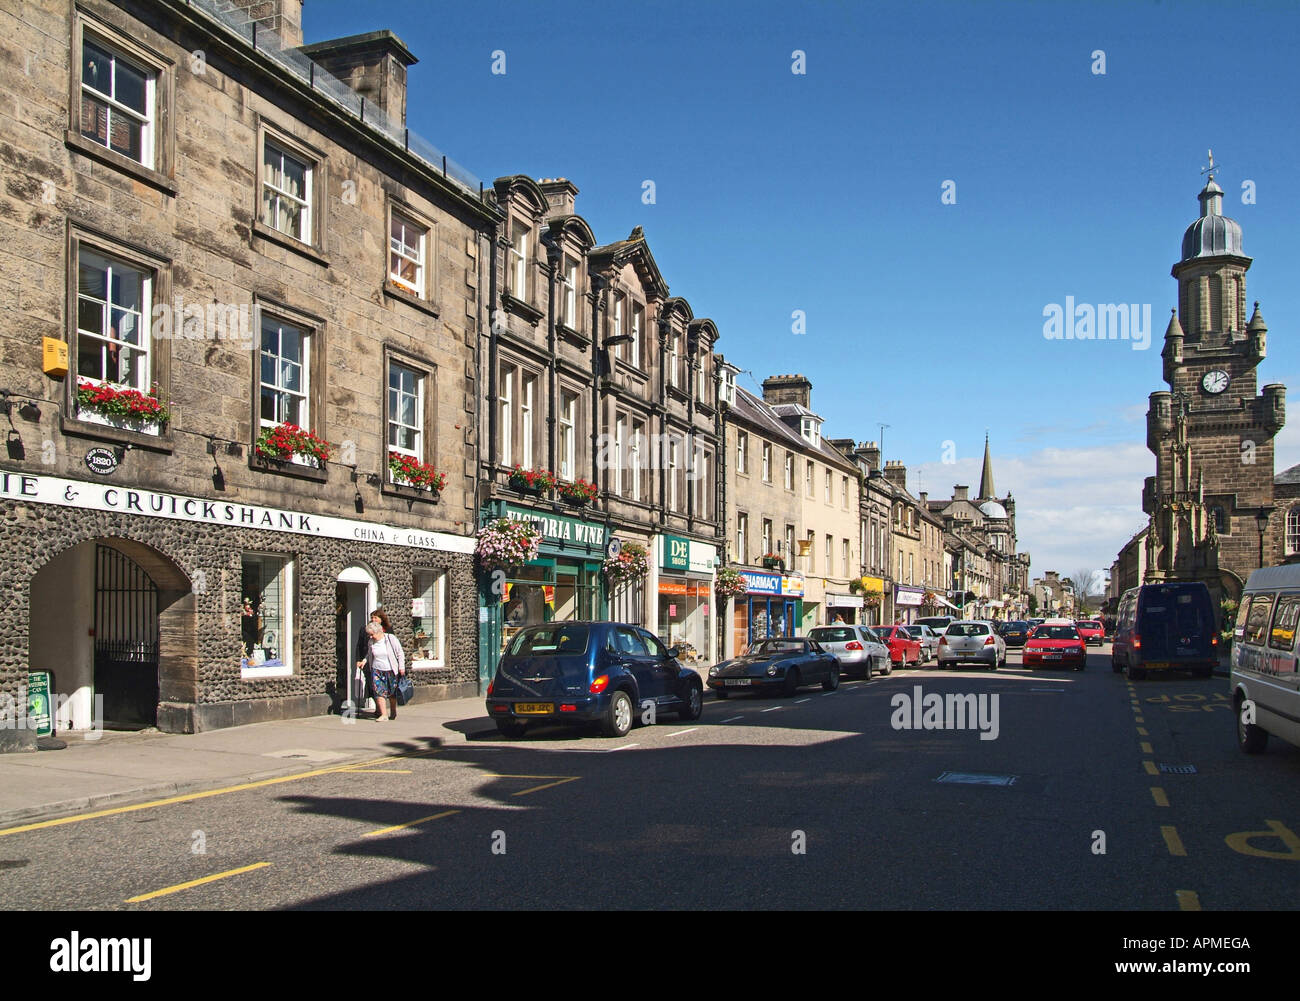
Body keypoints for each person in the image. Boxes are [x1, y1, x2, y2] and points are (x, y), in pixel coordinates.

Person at [361, 619, 405, 720]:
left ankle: (393, 711)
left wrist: (401, 667)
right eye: (369, 635)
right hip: (376, 669)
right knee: (379, 692)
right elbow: (369, 653)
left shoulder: (390, 638)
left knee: (392, 692)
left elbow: (400, 653)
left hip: (390, 669)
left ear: (378, 632)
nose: (370, 637)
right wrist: (364, 661)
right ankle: (384, 714)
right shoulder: (371, 642)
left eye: (372, 634)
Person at [355, 609, 393, 716]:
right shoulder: (365, 629)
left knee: (385, 687)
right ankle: (379, 708)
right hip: (369, 661)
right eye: (372, 617)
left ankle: (386, 710)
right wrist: (358, 659)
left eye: (376, 617)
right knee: (372, 686)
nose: (373, 619)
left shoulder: (387, 630)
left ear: (381, 619)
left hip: (385, 663)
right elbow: (359, 645)